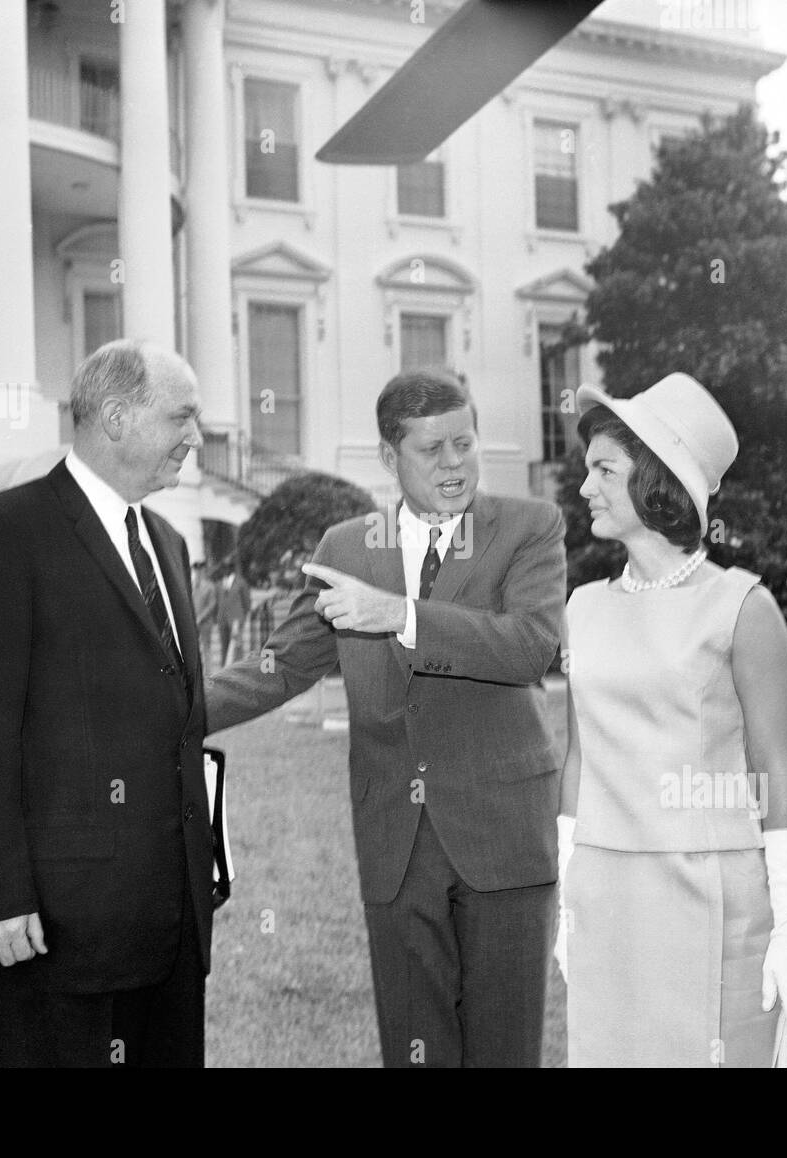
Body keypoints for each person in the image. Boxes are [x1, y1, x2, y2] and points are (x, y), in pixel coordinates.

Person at [206, 369, 566, 1068]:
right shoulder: (344, 548)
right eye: (431, 450)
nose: (455, 463)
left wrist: (399, 616)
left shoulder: (529, 527)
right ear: (387, 457)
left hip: (504, 834)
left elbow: (530, 647)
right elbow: (284, 664)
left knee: (505, 1051)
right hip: (396, 842)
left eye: (465, 443)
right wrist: (163, 711)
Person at [0, 339, 216, 1068]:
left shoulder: (170, 544)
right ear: (116, 418)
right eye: (182, 417)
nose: (197, 437)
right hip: (54, 932)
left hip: (171, 926)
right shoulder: (4, 533)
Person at [556, 373, 787, 1067]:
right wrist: (568, 898)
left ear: (656, 481)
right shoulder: (582, 608)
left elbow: (777, 773)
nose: (586, 488)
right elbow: (578, 760)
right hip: (608, 896)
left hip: (715, 903)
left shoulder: (743, 606)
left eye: (604, 471)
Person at [215, 565, 250, 665]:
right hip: (222, 620)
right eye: (223, 568)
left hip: (236, 620)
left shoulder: (241, 582)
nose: (224, 570)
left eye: (226, 568)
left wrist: (242, 618)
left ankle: (239, 670)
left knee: (237, 647)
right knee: (224, 646)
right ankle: (224, 672)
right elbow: (218, 602)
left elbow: (246, 602)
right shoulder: (219, 584)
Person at [191, 562, 218, 671]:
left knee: (206, 647)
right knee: (194, 648)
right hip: (193, 622)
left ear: (203, 571)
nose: (198, 573)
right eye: (196, 571)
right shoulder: (191, 585)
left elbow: (212, 604)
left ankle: (208, 672)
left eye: (200, 571)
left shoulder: (209, 586)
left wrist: (201, 617)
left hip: (205, 622)